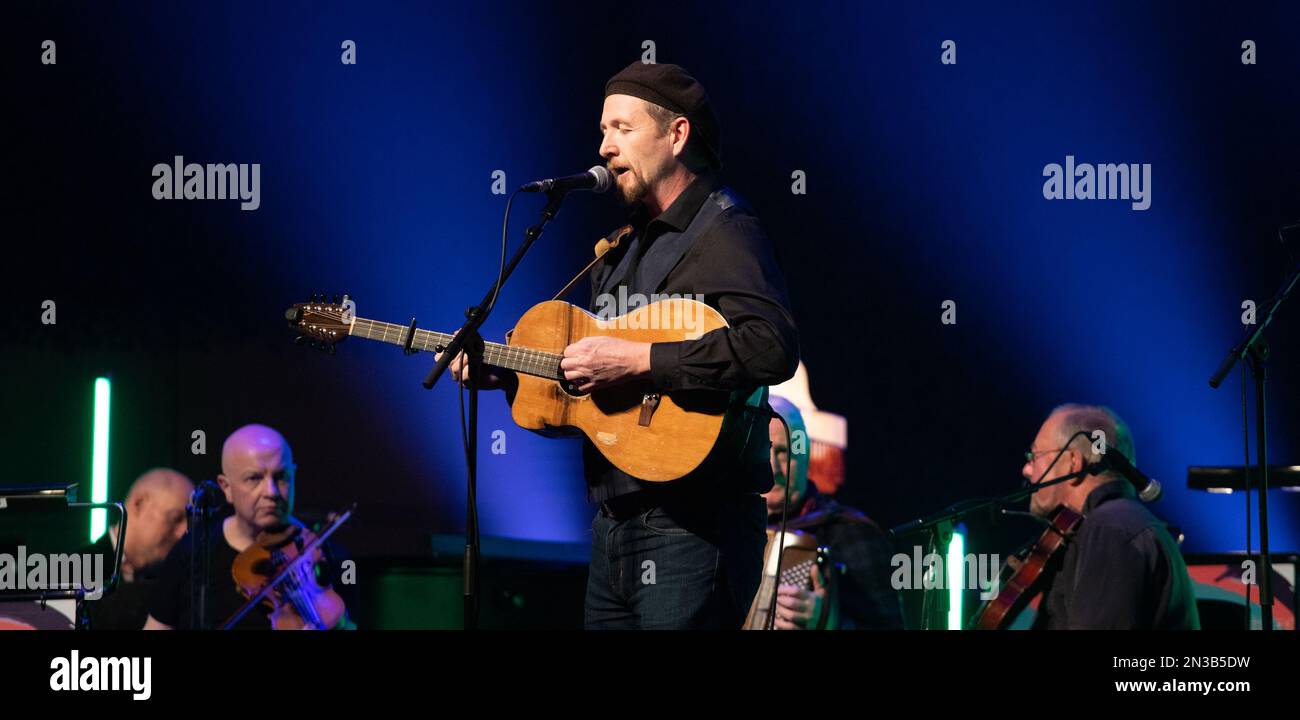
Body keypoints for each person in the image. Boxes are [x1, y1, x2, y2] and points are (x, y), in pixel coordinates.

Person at [443, 61, 799, 628]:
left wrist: (641, 360)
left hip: (693, 530)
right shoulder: (618, 248)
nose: (605, 147)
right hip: (613, 529)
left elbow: (770, 346)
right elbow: (596, 394)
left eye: (622, 129)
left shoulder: (724, 230)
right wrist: (507, 373)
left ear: (676, 135)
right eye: (603, 130)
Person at [144, 424, 353, 629]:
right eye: (254, 478)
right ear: (226, 487)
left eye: (281, 477)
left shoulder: (321, 551)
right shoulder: (192, 553)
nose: (271, 491)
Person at [1021, 404, 1199, 629]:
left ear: (1072, 462)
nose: (1027, 470)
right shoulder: (1116, 524)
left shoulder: (1110, 530)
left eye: (1035, 455)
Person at [764, 397, 903, 629]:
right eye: (762, 450)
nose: (772, 468)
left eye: (782, 451)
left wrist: (829, 621)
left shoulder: (854, 534)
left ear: (805, 453)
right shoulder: (726, 533)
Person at [85, 468, 193, 629]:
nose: (184, 531)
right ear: (139, 504)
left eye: (190, 521)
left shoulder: (182, 583)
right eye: (176, 518)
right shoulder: (70, 573)